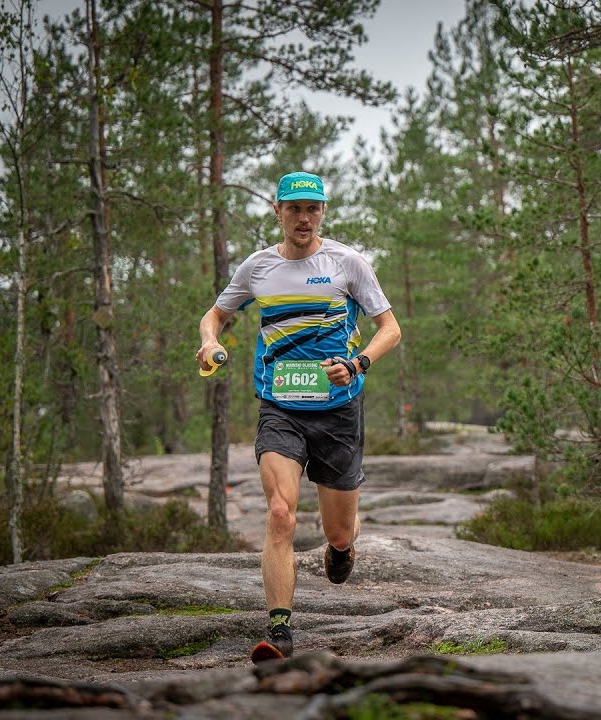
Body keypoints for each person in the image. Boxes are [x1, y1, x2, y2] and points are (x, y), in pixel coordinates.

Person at [196, 171, 400, 662]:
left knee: (337, 532)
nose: (304, 218)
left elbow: (389, 329)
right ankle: (280, 631)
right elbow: (215, 314)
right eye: (294, 209)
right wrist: (209, 340)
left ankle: (343, 548)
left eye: (312, 209)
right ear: (278, 212)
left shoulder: (347, 263)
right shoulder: (258, 267)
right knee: (281, 513)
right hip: (280, 407)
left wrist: (357, 363)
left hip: (338, 409)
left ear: (323, 212)